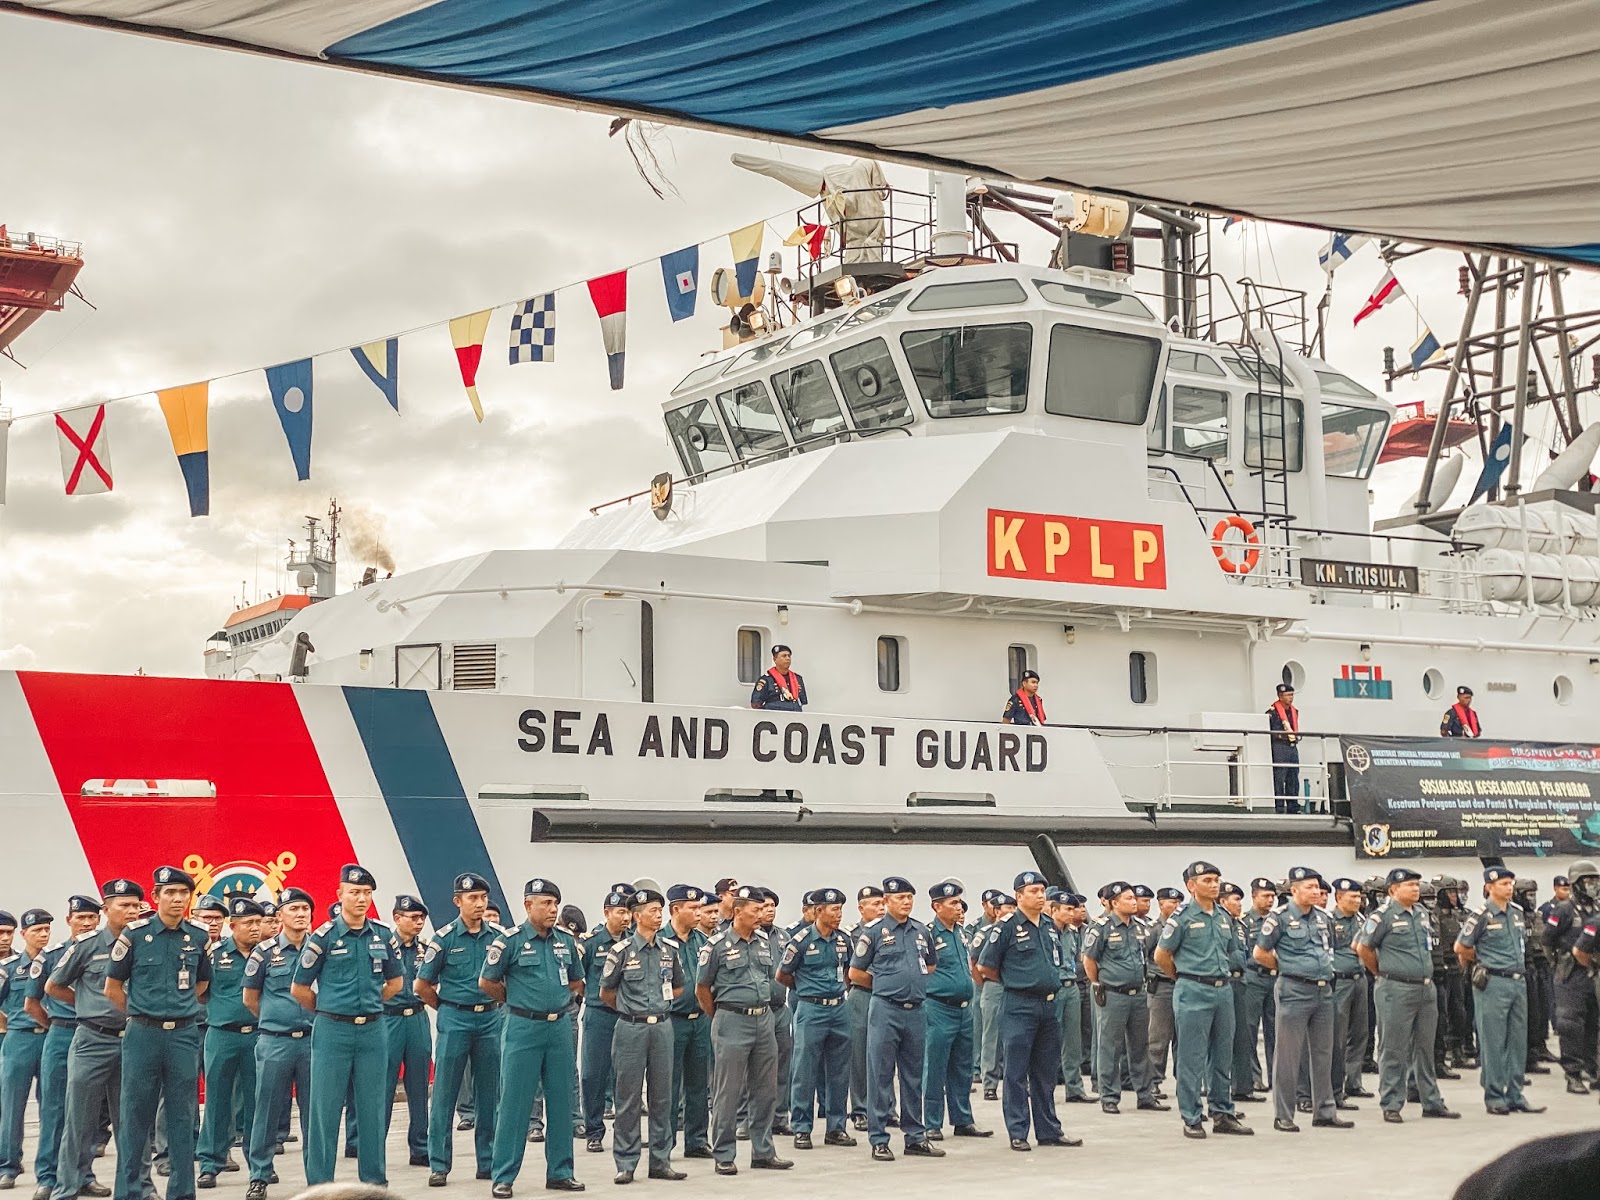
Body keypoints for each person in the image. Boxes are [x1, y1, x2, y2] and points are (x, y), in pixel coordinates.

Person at [292, 866, 403, 1188]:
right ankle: (320, 1184)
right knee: (324, 1111)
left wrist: (368, 1004)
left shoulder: (383, 936)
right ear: (340, 895)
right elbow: (300, 989)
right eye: (354, 892)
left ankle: (373, 1182)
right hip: (332, 1032)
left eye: (367, 893)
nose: (361, 899)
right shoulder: (323, 937)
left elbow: (395, 982)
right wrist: (329, 1009)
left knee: (372, 1109)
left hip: (372, 1031)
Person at [105, 867, 211, 1200]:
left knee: (182, 1116)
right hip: (142, 1036)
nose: (178, 899)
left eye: (183, 893)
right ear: (156, 896)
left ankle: (181, 1193)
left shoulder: (197, 936)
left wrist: (177, 1008)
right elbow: (112, 988)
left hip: (182, 1035)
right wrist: (142, 1011)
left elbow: (203, 982)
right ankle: (130, 1192)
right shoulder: (134, 935)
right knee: (135, 1115)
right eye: (170, 893)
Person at [480, 877, 585, 1196]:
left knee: (561, 1100)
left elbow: (577, 981)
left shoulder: (566, 941)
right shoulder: (509, 941)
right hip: (522, 1027)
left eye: (556, 903)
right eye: (547, 904)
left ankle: (561, 1171)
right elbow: (488, 982)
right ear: (528, 905)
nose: (553, 909)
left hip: (558, 1028)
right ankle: (503, 1175)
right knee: (514, 1103)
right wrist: (518, 999)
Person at [49, 880, 142, 1200]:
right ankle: (69, 1186)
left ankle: (134, 1189)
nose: (130, 911)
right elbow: (54, 986)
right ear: (106, 910)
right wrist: (87, 1005)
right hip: (93, 1040)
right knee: (80, 1119)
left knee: (132, 1120)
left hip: (134, 1039)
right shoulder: (87, 945)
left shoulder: (146, 942)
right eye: (123, 905)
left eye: (135, 905)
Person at [1154, 861, 1252, 1140]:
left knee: (1223, 1055)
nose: (1214, 884)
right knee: (1191, 1057)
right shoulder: (1181, 917)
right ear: (1191, 886)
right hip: (1192, 989)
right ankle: (1192, 1116)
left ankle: (1222, 1113)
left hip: (1223, 991)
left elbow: (1234, 951)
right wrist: (1182, 977)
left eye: (1216, 879)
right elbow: (1161, 956)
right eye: (1207, 880)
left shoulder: (1223, 916)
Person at [418, 872, 504, 1187]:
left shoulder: (498, 936)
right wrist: (446, 1008)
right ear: (458, 901)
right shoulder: (443, 939)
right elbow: (422, 985)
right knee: (445, 1093)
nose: (479, 904)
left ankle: (488, 1161)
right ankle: (439, 1164)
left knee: (488, 1093)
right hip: (454, 1019)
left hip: (489, 1021)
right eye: (472, 898)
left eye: (483, 898)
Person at [696, 886, 790, 1176]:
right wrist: (722, 1016)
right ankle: (724, 1152)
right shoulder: (717, 945)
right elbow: (702, 989)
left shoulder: (763, 942)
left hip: (764, 1020)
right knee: (728, 1091)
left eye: (763, 909)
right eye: (756, 909)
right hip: (731, 1020)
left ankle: (763, 1150)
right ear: (738, 911)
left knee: (765, 1090)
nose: (762, 914)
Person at [1354, 867, 1458, 1122]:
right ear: (1393, 889)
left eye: (1416, 884)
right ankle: (1391, 1102)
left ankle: (1430, 1100)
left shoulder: (1422, 914)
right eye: (1410, 885)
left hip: (1425, 988)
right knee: (1393, 1047)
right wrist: (1381, 972)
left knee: (1426, 1047)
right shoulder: (1383, 916)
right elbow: (1362, 947)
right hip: (1395, 988)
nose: (1415, 889)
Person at [850, 877, 940, 1162]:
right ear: (887, 902)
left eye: (910, 897)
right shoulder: (874, 932)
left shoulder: (921, 931)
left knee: (913, 1076)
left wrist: (912, 982)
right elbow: (855, 973)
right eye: (900, 897)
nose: (907, 901)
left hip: (915, 1011)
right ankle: (879, 1138)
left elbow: (931, 964)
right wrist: (886, 985)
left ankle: (915, 1136)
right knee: (880, 1074)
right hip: (886, 1009)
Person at [598, 887, 682, 1186]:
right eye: (652, 911)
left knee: (662, 1096)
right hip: (630, 1028)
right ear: (636, 916)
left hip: (661, 1026)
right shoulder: (620, 952)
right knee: (628, 1097)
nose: (658, 914)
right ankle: (626, 1162)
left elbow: (679, 987)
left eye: (660, 910)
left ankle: (661, 1160)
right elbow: (606, 992)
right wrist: (630, 1009)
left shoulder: (670, 951)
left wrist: (661, 1006)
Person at [1254, 867, 1349, 1132]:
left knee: (1323, 1054)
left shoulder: (1323, 918)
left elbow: (1328, 949)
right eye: (1309, 887)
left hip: (1323, 991)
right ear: (1294, 890)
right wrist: (1287, 967)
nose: (1316, 891)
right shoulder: (1280, 918)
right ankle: (1284, 1114)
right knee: (1288, 1056)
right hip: (1294, 990)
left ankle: (1324, 1111)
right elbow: (1260, 953)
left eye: (1317, 887)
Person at [25, 899, 101, 1200]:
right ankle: (47, 1176)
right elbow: (31, 1004)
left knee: (89, 1112)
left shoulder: (107, 951)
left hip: (95, 1036)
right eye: (80, 917)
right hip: (62, 1033)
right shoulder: (52, 956)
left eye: (92, 917)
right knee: (54, 1109)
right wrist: (56, 1023)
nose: (86, 923)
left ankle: (84, 1175)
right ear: (69, 920)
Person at [243, 887, 315, 1200]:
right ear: (280, 915)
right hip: (275, 1042)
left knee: (316, 1113)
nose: (300, 914)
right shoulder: (264, 952)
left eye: (305, 909)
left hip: (313, 1042)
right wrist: (277, 1021)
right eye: (294, 909)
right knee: (266, 1111)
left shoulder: (321, 947)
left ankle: (318, 1176)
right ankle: (259, 1175)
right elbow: (250, 999)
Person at [1456, 867, 1543, 1116]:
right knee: (1493, 1041)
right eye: (1504, 883)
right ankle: (1494, 1095)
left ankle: (1515, 1094)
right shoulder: (1481, 914)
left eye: (1511, 883)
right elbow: (1461, 946)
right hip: (1493, 982)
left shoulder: (1516, 912)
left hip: (1518, 981)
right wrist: (1483, 960)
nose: (1509, 887)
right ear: (1489, 887)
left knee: (1518, 1040)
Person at [776, 888, 854, 1150]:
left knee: (839, 1071)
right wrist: (809, 991)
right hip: (811, 1010)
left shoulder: (844, 940)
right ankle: (802, 1127)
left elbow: (850, 972)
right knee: (804, 1070)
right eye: (834, 910)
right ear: (819, 911)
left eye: (841, 909)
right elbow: (783, 975)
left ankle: (836, 1127)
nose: (839, 914)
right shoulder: (800, 940)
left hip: (839, 1009)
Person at [197, 898, 266, 1188]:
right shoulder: (213, 955)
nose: (254, 928)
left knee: (256, 1101)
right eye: (248, 923)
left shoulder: (267, 955)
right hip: (222, 1033)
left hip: (257, 1035)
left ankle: (258, 1164)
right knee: (216, 1100)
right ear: (232, 925)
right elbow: (201, 993)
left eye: (258, 923)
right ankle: (210, 1163)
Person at [918, 881, 988, 1142]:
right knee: (935, 1066)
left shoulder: (961, 933)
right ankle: (932, 1122)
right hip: (938, 1008)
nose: (959, 907)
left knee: (962, 1067)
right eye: (953, 903)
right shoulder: (927, 935)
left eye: (959, 902)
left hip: (964, 1010)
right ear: (937, 907)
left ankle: (962, 1119)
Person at [1081, 882, 1157, 1116]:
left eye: (1134, 898)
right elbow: (1089, 961)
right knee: (1110, 1047)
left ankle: (1145, 1094)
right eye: (1128, 898)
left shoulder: (1141, 927)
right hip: (1113, 994)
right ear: (1114, 903)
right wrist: (1098, 984)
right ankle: (1109, 1096)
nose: (1134, 902)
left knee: (1140, 1046)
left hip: (1138, 993)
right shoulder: (1101, 927)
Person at [0, 909, 54, 1197]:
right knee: (11, 1105)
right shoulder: (9, 967)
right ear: (25, 934)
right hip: (19, 1040)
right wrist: (13, 1024)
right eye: (37, 930)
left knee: (51, 1106)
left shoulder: (56, 962)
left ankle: (47, 1170)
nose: (43, 935)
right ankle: (8, 1166)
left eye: (46, 929)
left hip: (49, 1038)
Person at [1538, 859, 1599, 1095]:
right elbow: (1546, 940)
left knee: (1593, 1023)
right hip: (1570, 974)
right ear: (1576, 884)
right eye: (1588, 881)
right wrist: (1557, 963)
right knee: (1570, 1025)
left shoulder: (1596, 909)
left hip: (1592, 972)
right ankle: (1572, 1075)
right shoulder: (1563, 909)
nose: (1593, 885)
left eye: (1595, 881)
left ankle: (1592, 1070)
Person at [659, 887, 712, 1160]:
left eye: (699, 908)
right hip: (671, 1020)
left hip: (700, 1020)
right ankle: (664, 1144)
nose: (698, 913)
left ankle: (697, 1140)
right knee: (667, 1084)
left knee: (698, 1083)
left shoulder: (702, 940)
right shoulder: (659, 941)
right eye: (692, 908)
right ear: (675, 910)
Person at [577, 892, 630, 1154]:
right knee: (593, 1075)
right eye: (620, 912)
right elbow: (577, 978)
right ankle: (594, 1131)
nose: (625, 917)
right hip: (599, 1015)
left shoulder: (635, 943)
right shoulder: (591, 943)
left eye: (628, 912)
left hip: (628, 1015)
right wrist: (592, 996)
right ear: (607, 912)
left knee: (626, 1076)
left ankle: (626, 1133)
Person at [385, 896, 432, 1168]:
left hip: (416, 1018)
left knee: (418, 1086)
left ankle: (420, 1147)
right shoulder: (382, 947)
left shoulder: (427, 949)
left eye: (421, 918)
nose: (418, 922)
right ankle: (373, 1144)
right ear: (396, 918)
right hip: (388, 1019)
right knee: (382, 1087)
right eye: (412, 917)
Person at [1325, 879, 1371, 1106]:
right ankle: (1336, 1087)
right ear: (1338, 898)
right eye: (1351, 897)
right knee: (1338, 1037)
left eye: (1359, 897)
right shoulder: (1329, 921)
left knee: (1360, 1033)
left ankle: (1354, 1081)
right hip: (1339, 982)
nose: (1357, 901)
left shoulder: (1362, 919)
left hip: (1359, 979)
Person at [845, 885, 885, 1127]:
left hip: (887, 997)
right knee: (859, 1053)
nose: (881, 908)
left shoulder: (892, 930)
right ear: (861, 908)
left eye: (883, 903)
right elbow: (846, 971)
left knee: (885, 1053)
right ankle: (860, 1109)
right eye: (875, 904)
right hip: (861, 995)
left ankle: (885, 1108)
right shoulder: (851, 934)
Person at [1238, 877, 1278, 1095]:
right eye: (1266, 896)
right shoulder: (1245, 921)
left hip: (1275, 978)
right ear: (1254, 896)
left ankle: (1276, 1077)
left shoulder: (1278, 921)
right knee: (1250, 1028)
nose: (1270, 900)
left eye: (1273, 896)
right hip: (1253, 978)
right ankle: (1254, 1078)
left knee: (1276, 1030)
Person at [1050, 892, 1090, 1106]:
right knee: (1047, 1040)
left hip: (1071, 986)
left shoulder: (1072, 933)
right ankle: (1042, 1086)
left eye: (1073, 909)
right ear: (1054, 910)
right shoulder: (1045, 931)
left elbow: (1077, 959)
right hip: (1052, 989)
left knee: (1073, 1041)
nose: (1072, 913)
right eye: (1067, 909)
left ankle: (1074, 1088)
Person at [977, 892, 1015, 1102]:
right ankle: (989, 1084)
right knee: (991, 1037)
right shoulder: (987, 933)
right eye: (1006, 908)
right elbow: (976, 962)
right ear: (997, 911)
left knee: (1016, 1037)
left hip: (1014, 989)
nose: (1010, 912)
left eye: (1012, 908)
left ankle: (1016, 1082)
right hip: (994, 987)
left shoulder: (1020, 932)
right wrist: (988, 982)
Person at [1144, 886, 1182, 1095]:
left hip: (1181, 985)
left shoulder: (1181, 925)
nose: (1176, 906)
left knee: (1182, 1038)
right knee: (1158, 1038)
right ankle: (1154, 1082)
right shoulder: (1154, 928)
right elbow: (1144, 955)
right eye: (1171, 903)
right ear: (1161, 904)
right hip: (1161, 987)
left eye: (1178, 903)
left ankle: (1183, 1081)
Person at [1267, 683, 1301, 813]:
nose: (1291, 698)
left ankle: (1293, 805)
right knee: (1280, 776)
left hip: (1292, 746)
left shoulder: (1294, 711)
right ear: (1280, 696)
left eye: (1292, 695)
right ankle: (1279, 806)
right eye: (1288, 695)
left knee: (1293, 776)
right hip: (1279, 746)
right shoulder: (1273, 713)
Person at [750, 645, 806, 711]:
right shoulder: (766, 680)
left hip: (795, 716)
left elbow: (802, 701)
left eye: (789, 656)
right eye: (784, 656)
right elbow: (755, 704)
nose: (788, 658)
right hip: (773, 716)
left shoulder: (797, 679)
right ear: (775, 659)